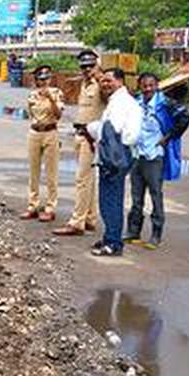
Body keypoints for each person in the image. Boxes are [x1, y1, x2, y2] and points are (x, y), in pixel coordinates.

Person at [124, 71, 189, 250]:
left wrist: (169, 137)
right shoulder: (137, 102)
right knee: (136, 196)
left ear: (157, 86)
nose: (147, 89)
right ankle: (133, 231)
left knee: (155, 196)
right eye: (144, 86)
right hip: (138, 155)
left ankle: (156, 235)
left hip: (155, 156)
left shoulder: (165, 103)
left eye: (151, 85)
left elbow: (185, 117)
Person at [86, 67, 142, 258]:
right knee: (110, 199)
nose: (105, 84)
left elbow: (114, 131)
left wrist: (92, 128)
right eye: (103, 81)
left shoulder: (121, 103)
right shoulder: (121, 101)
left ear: (120, 81)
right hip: (118, 155)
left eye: (109, 80)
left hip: (115, 156)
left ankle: (113, 243)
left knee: (110, 201)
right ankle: (110, 237)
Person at [54, 50, 106, 237]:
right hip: (80, 134)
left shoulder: (101, 83)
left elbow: (111, 99)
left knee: (82, 179)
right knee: (88, 180)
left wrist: (101, 79)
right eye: (83, 67)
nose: (87, 70)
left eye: (90, 66)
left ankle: (77, 222)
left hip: (92, 137)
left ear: (97, 65)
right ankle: (90, 218)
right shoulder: (84, 84)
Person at [22, 65, 64, 223]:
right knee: (34, 171)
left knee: (51, 172)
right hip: (35, 132)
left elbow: (58, 115)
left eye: (46, 79)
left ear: (50, 79)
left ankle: (50, 206)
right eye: (40, 79)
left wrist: (50, 99)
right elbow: (30, 114)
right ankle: (33, 205)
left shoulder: (57, 93)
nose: (43, 82)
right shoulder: (32, 96)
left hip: (50, 131)